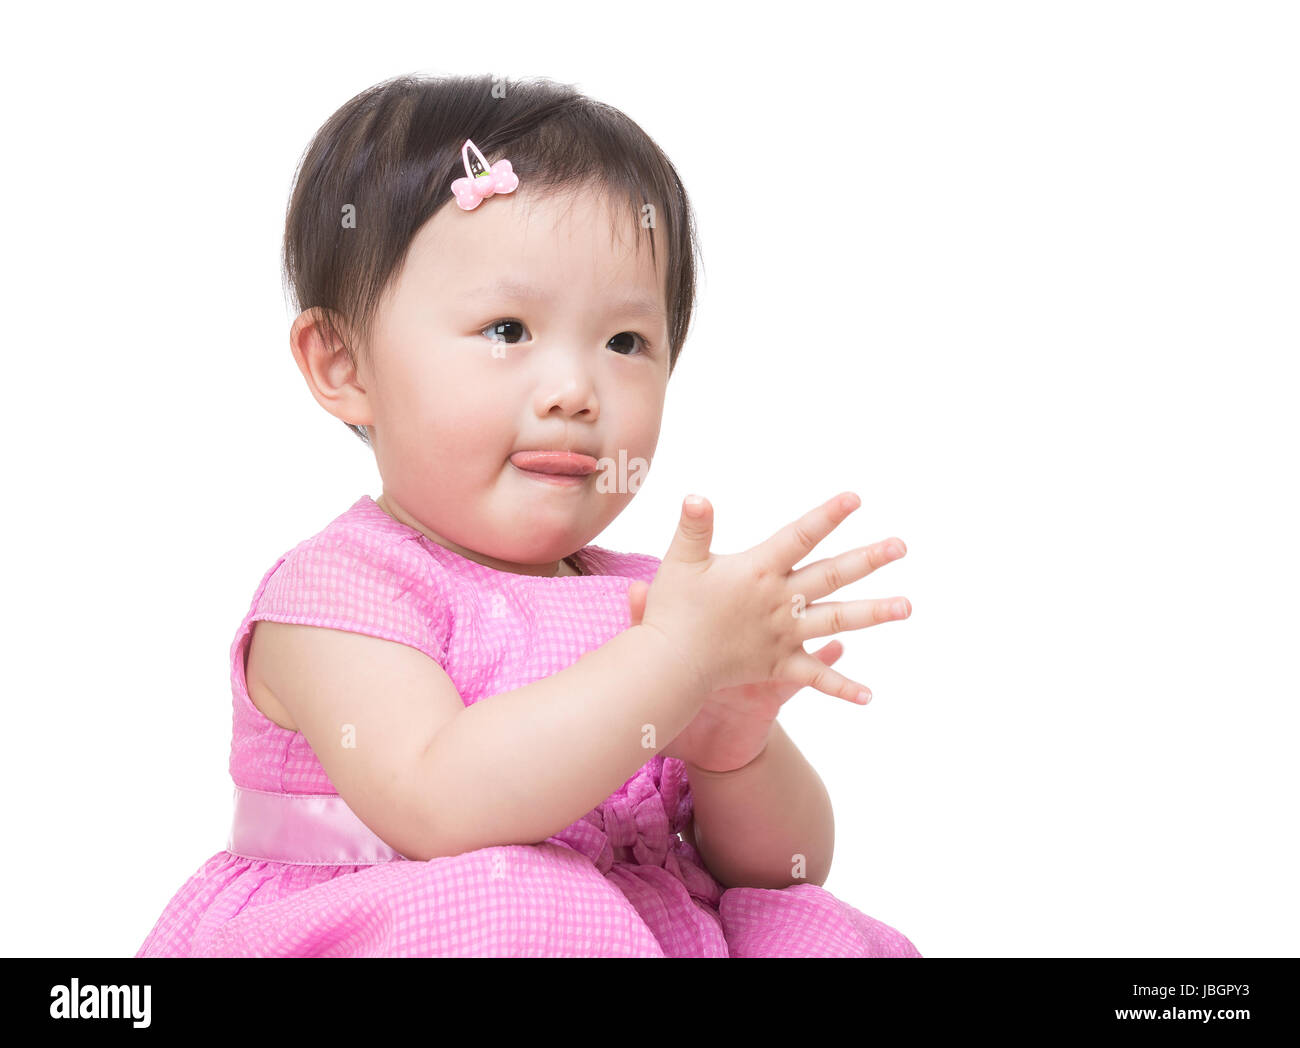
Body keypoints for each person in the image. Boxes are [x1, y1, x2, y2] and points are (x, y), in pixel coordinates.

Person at [134, 72, 921, 957]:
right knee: (530, 907)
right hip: (411, 931)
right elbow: (439, 803)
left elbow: (783, 868)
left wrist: (731, 748)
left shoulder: (656, 603)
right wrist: (669, 662)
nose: (575, 391)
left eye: (626, 341)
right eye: (507, 329)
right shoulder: (343, 593)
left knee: (815, 934)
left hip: (636, 928)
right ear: (344, 364)